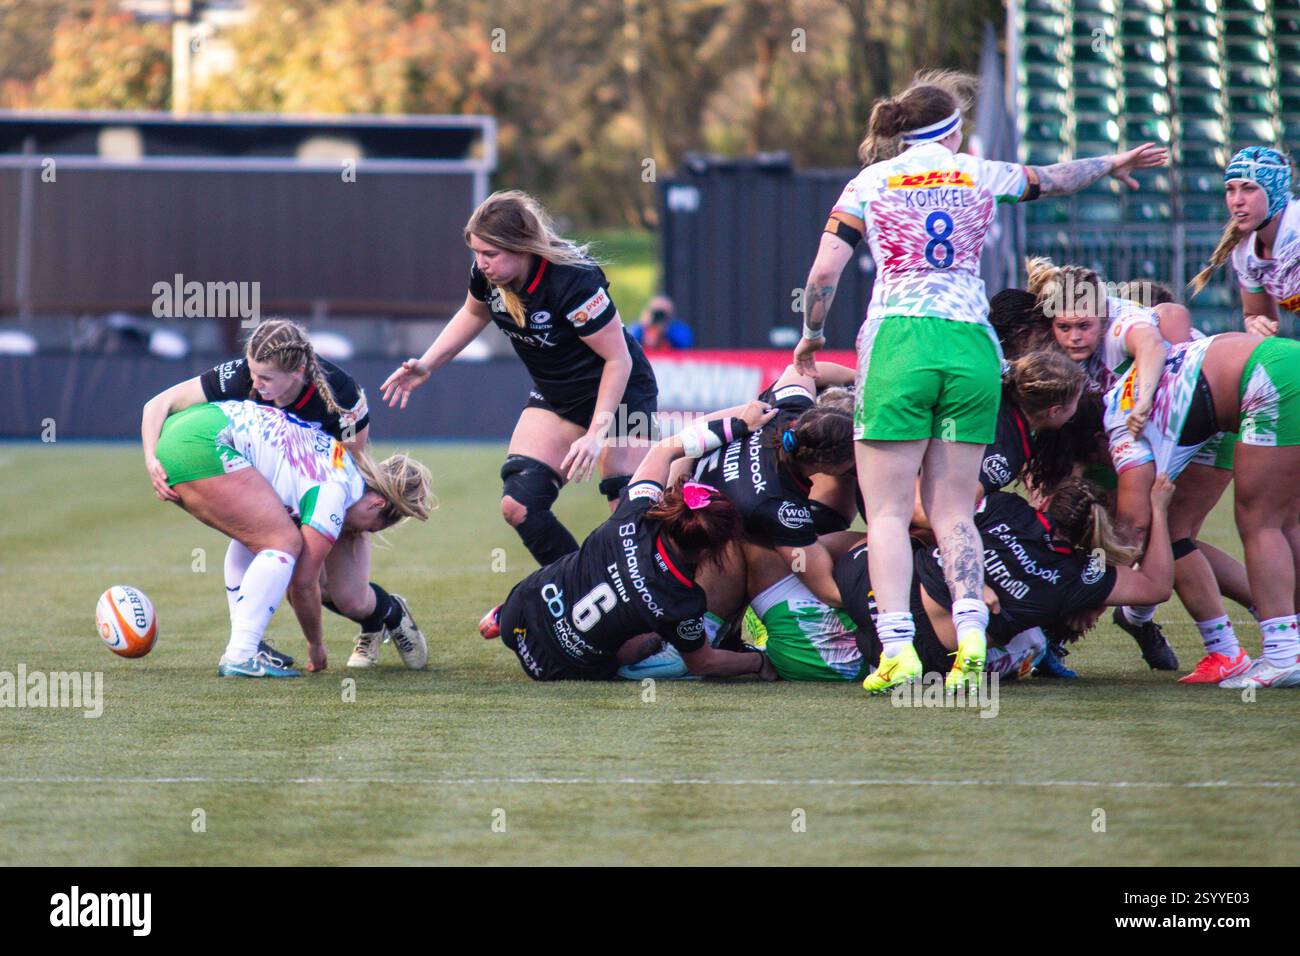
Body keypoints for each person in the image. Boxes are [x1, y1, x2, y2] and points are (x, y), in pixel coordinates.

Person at [793, 67, 1168, 693]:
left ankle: (899, 652)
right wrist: (1112, 163)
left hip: (900, 340)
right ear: (952, 132)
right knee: (954, 512)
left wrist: (810, 335)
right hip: (970, 345)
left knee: (886, 513)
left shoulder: (871, 180)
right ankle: (972, 636)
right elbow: (1053, 180)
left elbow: (824, 272)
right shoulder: (978, 171)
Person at [380, 190, 659, 569]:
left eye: (490, 254)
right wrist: (427, 365)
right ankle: (576, 588)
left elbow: (618, 359)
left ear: (522, 247)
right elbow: (473, 314)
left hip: (623, 397)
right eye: (477, 253)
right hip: (557, 396)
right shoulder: (487, 275)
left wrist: (596, 434)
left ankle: (668, 612)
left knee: (629, 518)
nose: (481, 264)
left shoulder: (573, 282)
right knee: (519, 504)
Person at [141, 319, 427, 670]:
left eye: (266, 379)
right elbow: (158, 404)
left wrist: (335, 525)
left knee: (347, 595)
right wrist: (151, 459)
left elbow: (352, 463)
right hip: (235, 455)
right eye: (253, 374)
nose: (256, 384)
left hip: (320, 483)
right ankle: (245, 649)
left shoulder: (341, 395)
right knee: (287, 557)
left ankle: (381, 616)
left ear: (298, 371)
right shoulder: (243, 375)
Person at [477, 402, 781, 682]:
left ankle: (502, 617)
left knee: (595, 590)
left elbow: (665, 450)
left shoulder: (634, 516)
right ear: (708, 550)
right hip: (557, 669)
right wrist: (758, 662)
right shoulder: (681, 603)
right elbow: (703, 664)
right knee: (651, 638)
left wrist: (740, 422)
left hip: (522, 608)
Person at [836, 476, 1176, 684]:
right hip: (930, 661)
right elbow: (1156, 586)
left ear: (1044, 502)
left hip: (867, 589)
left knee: (899, 536)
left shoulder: (1005, 506)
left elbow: (925, 513)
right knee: (1034, 641)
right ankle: (1042, 654)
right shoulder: (1080, 575)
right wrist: (1160, 511)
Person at [1119, 331, 1300, 687]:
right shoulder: (1126, 346)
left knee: (1259, 522)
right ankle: (1289, 644)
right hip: (1280, 361)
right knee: (1289, 520)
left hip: (1268, 376)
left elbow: (1135, 526)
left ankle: (1281, 654)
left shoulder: (1118, 412)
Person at [689, 364, 857, 608]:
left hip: (686, 488)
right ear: (829, 465)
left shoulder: (788, 411)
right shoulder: (781, 509)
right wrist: (882, 606)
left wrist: (859, 378)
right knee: (777, 555)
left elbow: (803, 369)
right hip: (697, 544)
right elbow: (824, 588)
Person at [1190, 146, 1297, 337]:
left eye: (1249, 188)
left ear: (1275, 193)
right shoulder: (1244, 251)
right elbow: (1259, 316)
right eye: (1230, 190)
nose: (1237, 201)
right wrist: (1256, 324)